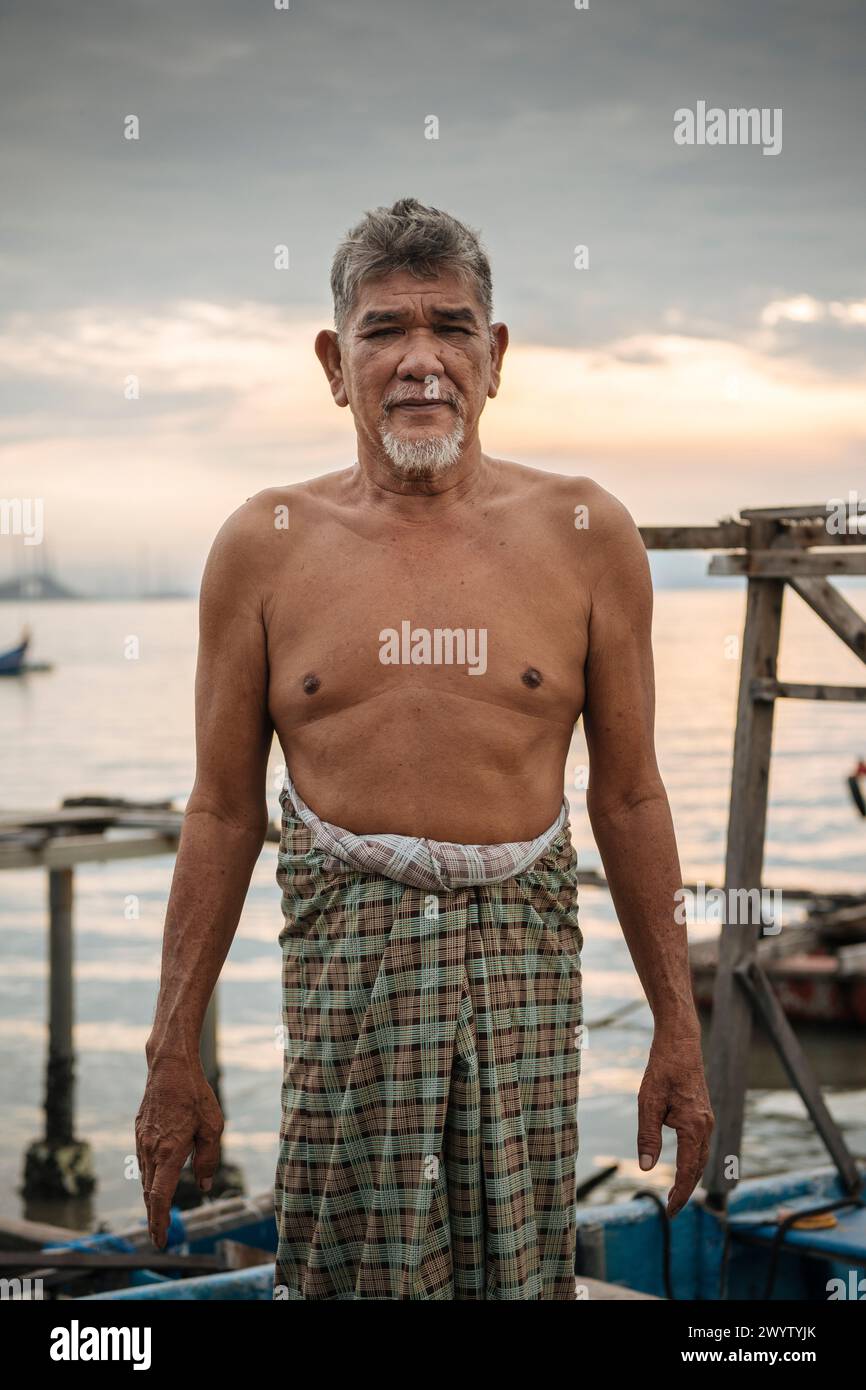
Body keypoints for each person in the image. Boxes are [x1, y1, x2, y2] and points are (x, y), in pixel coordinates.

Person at [135, 196, 713, 1300]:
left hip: (525, 971)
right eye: (382, 329)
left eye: (449, 327)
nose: (417, 361)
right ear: (330, 359)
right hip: (345, 978)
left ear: (493, 356)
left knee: (521, 1268)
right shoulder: (263, 547)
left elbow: (629, 799)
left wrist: (676, 1034)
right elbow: (221, 810)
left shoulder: (586, 535)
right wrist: (173, 1051)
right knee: (346, 1272)